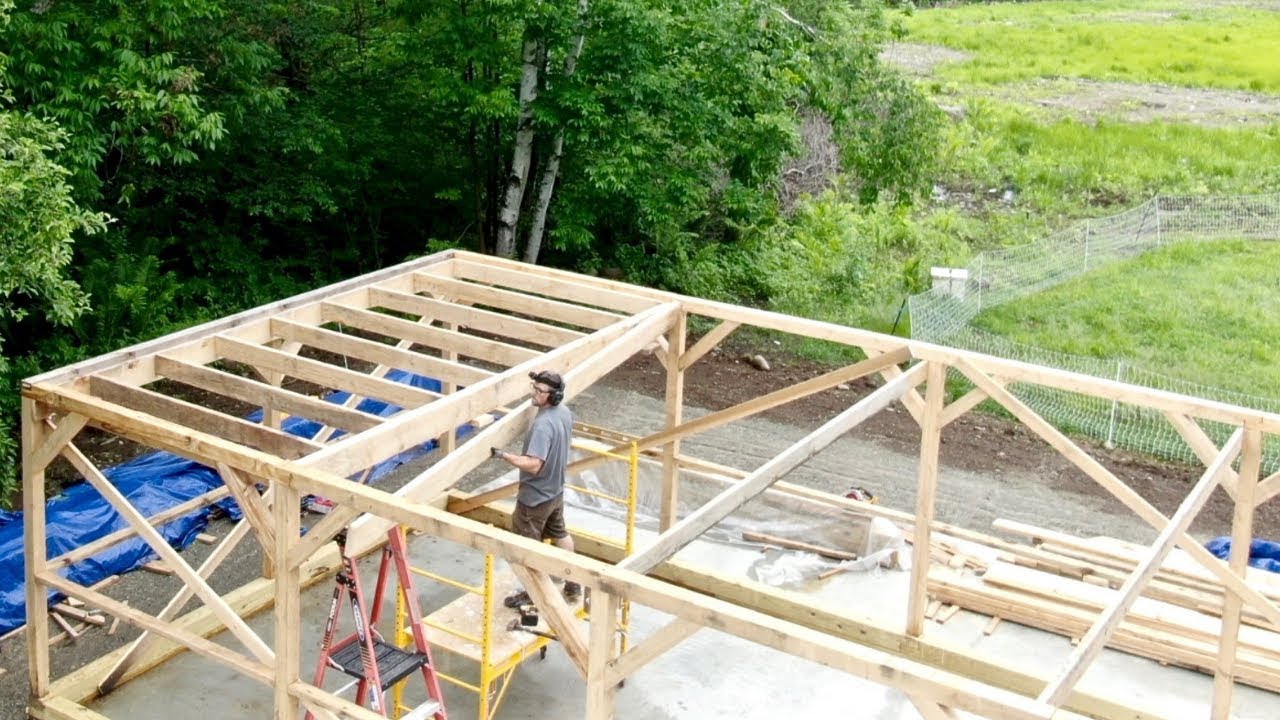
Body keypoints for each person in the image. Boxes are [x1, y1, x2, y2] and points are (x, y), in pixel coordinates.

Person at [491, 370, 581, 606]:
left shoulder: (543, 425)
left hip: (534, 498)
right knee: (560, 534)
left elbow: (533, 465)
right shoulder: (564, 413)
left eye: (540, 391)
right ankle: (573, 582)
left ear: (554, 395)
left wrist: (505, 456)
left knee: (528, 549)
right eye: (534, 387)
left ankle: (533, 594)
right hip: (555, 490)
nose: (535, 393)